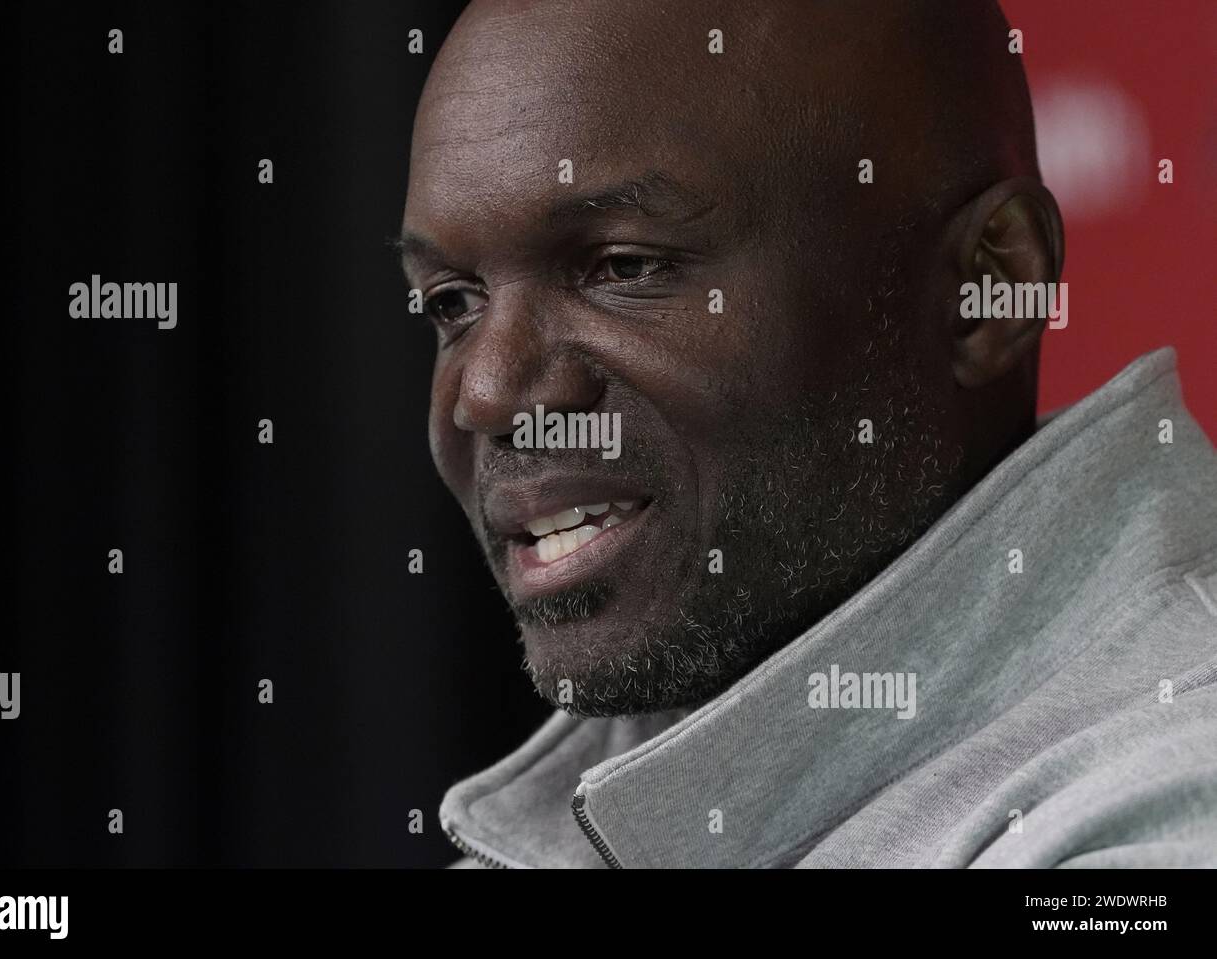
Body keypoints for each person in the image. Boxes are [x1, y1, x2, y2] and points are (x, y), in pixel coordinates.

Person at [398, 0, 1217, 867]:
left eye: (624, 268)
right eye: (452, 302)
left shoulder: (1162, 811)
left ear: (986, 288)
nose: (486, 394)